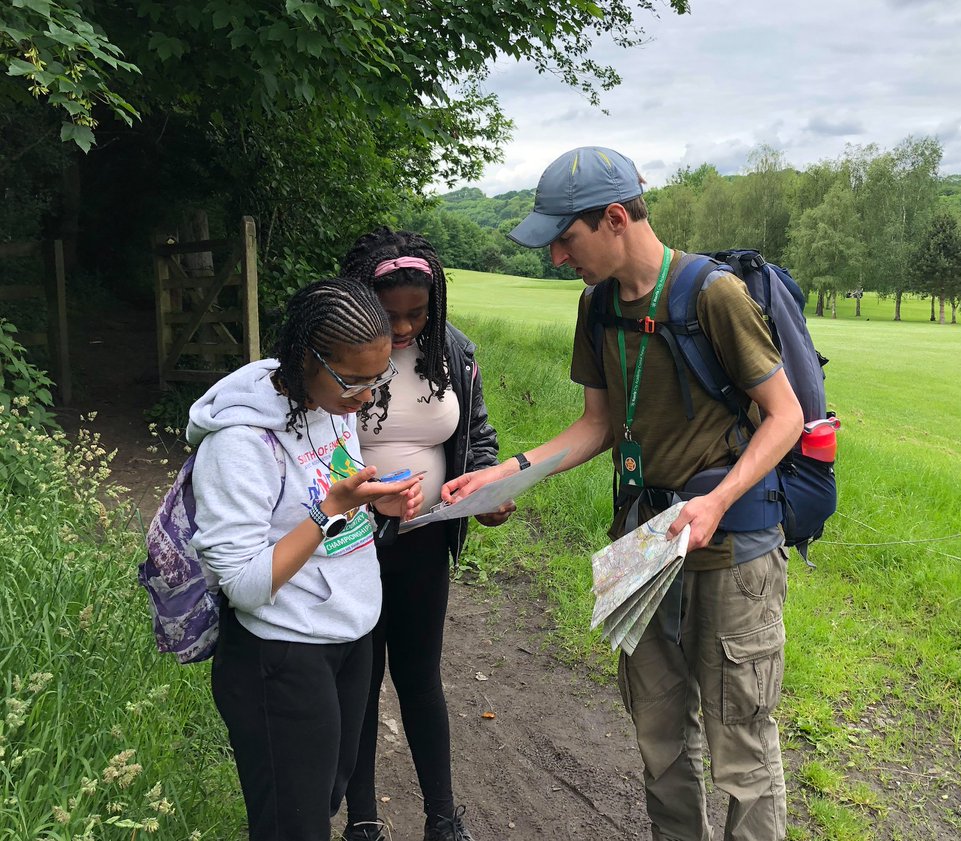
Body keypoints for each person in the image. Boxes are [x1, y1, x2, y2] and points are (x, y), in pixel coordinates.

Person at [443, 147, 806, 841]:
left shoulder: (714, 295)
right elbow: (599, 424)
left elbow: (784, 416)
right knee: (659, 735)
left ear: (615, 218)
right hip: (642, 544)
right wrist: (511, 468)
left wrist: (718, 500)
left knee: (742, 747)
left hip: (731, 548)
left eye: (564, 239)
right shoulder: (596, 306)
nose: (555, 258)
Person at [187, 277, 424, 841]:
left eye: (377, 378)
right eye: (353, 381)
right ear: (303, 357)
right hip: (282, 653)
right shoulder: (239, 443)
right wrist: (328, 511)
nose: (366, 397)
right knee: (293, 825)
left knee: (324, 797)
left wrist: (376, 503)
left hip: (348, 634)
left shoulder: (332, 402)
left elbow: (334, 497)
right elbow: (243, 584)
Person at [336, 228, 513, 841]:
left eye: (419, 312)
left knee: (420, 677)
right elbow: (304, 446)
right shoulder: (339, 353)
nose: (406, 327)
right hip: (346, 543)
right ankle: (362, 821)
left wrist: (483, 493)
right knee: (359, 677)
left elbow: (478, 436)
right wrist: (365, 495)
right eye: (391, 316)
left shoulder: (452, 352)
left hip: (426, 541)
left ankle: (444, 817)